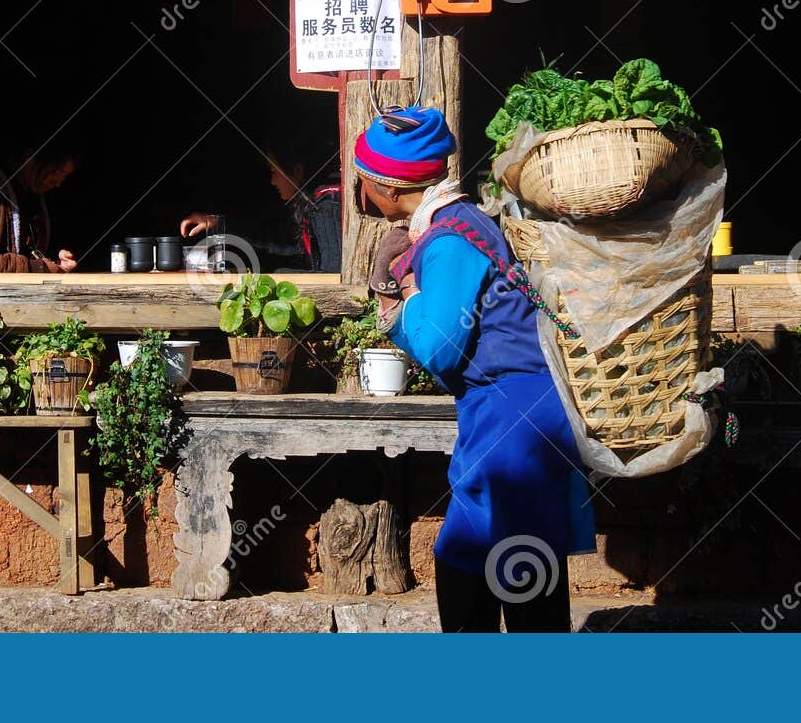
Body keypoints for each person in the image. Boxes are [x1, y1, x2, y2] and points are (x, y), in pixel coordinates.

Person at [356, 105, 594, 633]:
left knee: (498, 565)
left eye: (363, 182)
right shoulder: (463, 220)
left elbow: (439, 346)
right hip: (517, 410)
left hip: (513, 417)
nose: (360, 193)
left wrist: (398, 301)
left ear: (389, 188)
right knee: (498, 562)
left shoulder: (445, 241)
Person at [180, 140, 341, 273]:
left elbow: (333, 275)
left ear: (297, 170)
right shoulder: (310, 206)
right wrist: (218, 224)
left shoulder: (326, 207)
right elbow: (282, 243)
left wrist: (278, 276)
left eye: (273, 172)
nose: (272, 181)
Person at [0, 144, 78, 273]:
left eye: (64, 176)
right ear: (30, 157)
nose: (58, 183)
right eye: (57, 172)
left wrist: (56, 260)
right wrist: (38, 268)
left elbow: (28, 250)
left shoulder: (32, 196)